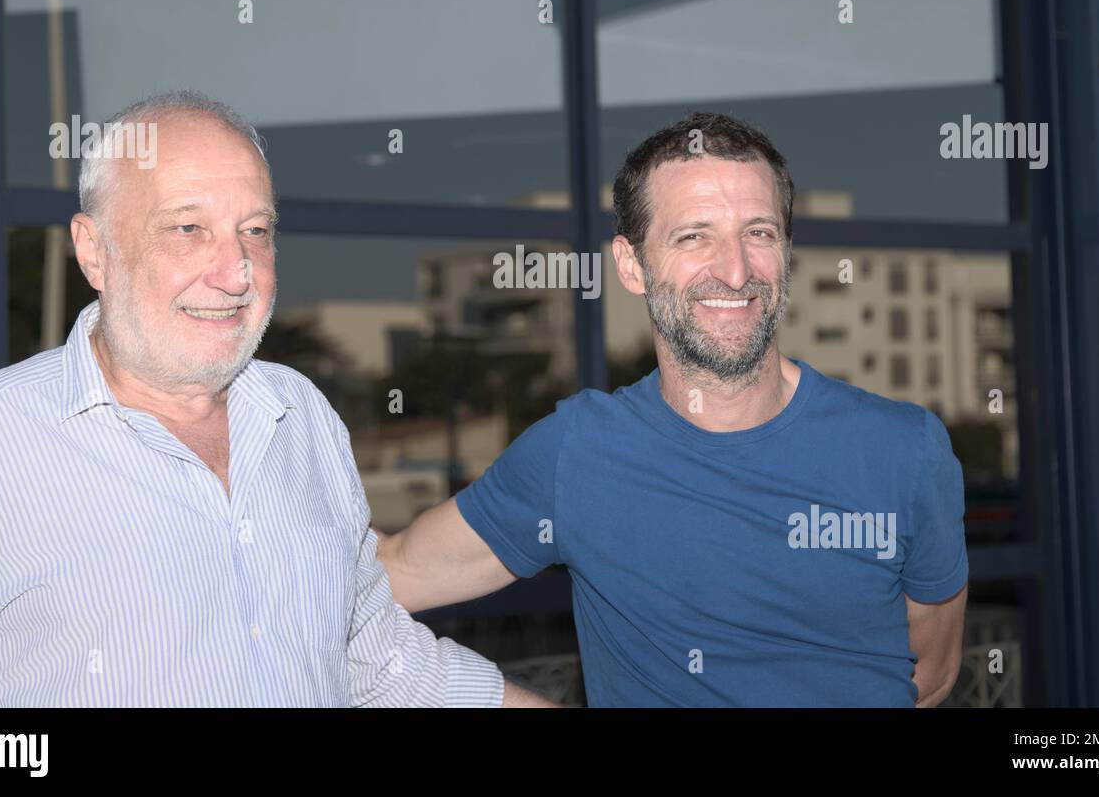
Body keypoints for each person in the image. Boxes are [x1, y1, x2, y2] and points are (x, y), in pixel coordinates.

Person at [0, 91, 550, 707]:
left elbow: (375, 662)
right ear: (94, 251)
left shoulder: (302, 419)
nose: (235, 271)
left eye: (256, 231)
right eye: (187, 228)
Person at [379, 112, 969, 706]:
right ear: (632, 266)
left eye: (759, 232)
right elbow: (394, 573)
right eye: (694, 236)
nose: (735, 271)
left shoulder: (905, 449)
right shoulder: (578, 451)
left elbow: (932, 673)